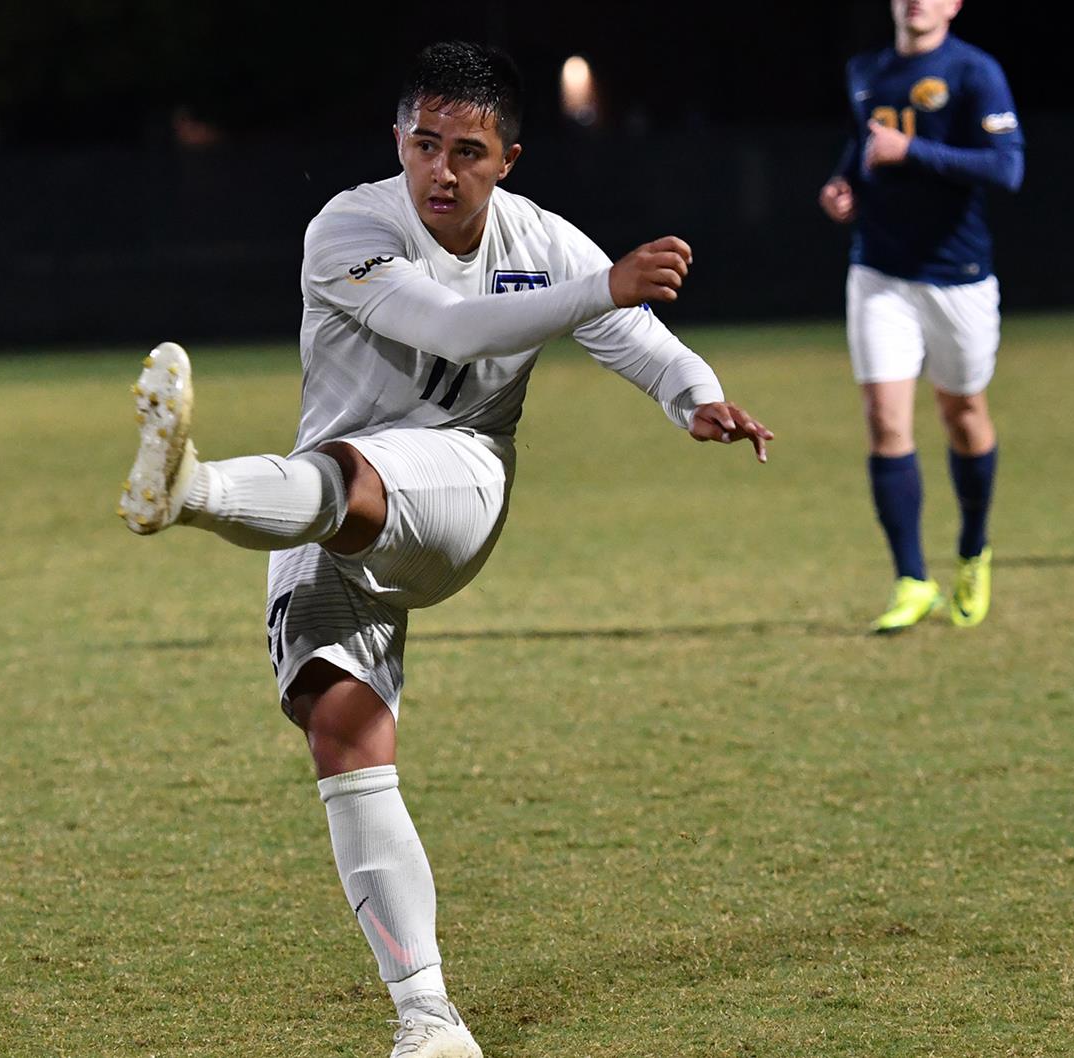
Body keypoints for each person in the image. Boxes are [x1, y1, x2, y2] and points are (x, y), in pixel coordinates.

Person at [116, 40, 772, 1058]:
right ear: (397, 138)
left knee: (359, 478)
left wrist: (692, 394)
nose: (440, 170)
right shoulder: (347, 225)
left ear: (506, 157)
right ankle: (427, 1018)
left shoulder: (539, 238)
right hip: (316, 504)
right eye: (423, 142)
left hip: (457, 483)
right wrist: (604, 285)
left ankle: (191, 486)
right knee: (341, 736)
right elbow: (453, 324)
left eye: (466, 149)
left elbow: (631, 336)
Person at [818, 0, 1023, 632]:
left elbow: (1006, 167)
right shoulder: (865, 70)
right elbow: (864, 147)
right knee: (885, 420)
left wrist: (914, 151)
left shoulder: (973, 72)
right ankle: (911, 579)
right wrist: (842, 185)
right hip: (879, 271)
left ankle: (973, 551)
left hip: (957, 277)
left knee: (962, 414)